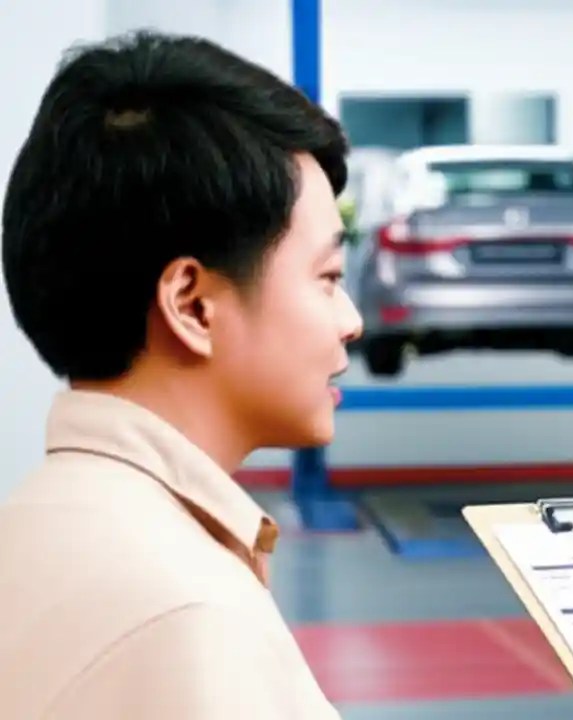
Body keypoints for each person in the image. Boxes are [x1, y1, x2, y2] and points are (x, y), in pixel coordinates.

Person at [0, 32, 360, 718]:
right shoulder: (191, 615)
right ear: (192, 305)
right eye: (327, 278)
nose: (351, 319)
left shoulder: (30, 528)